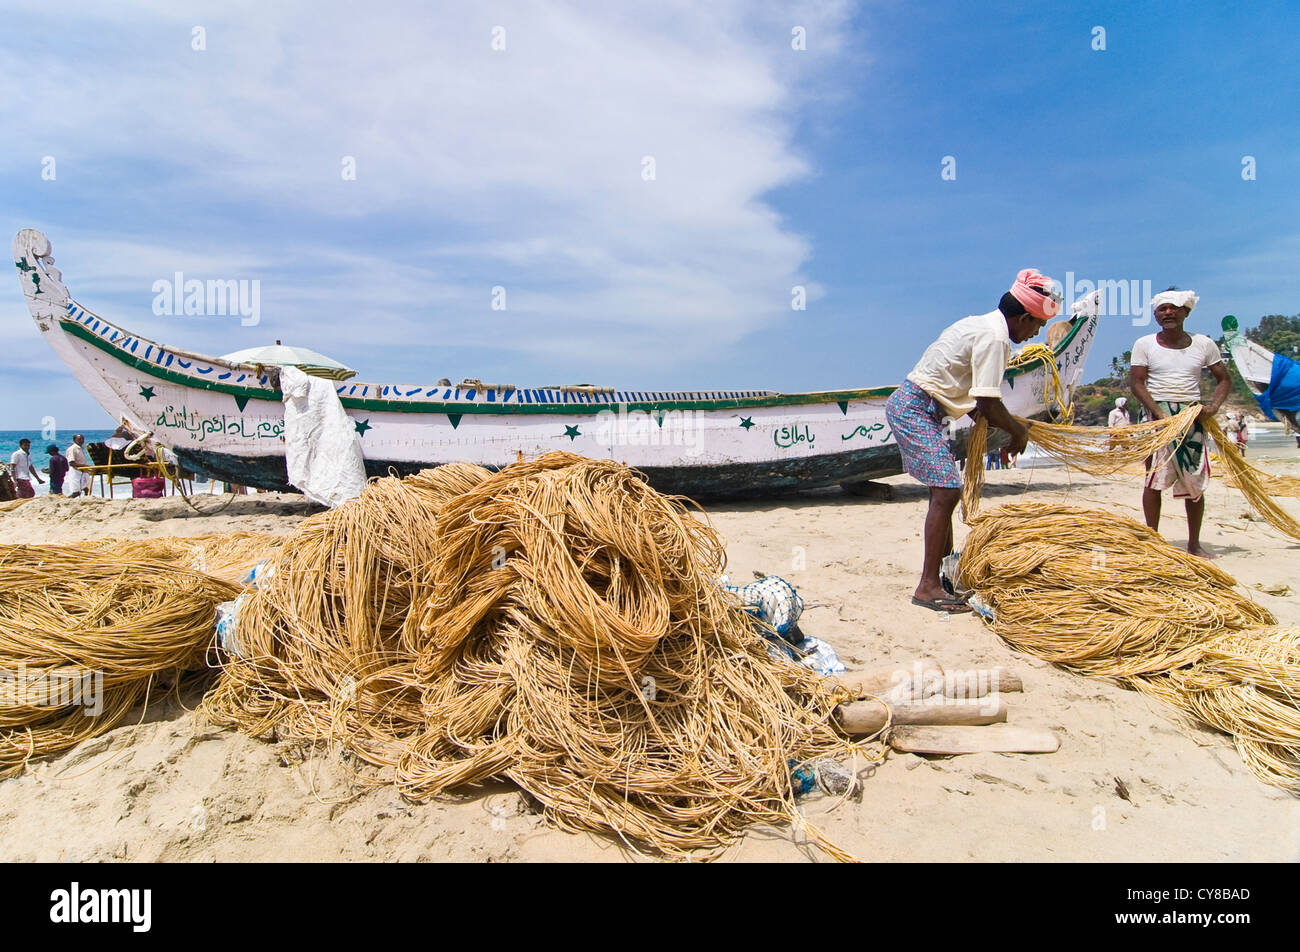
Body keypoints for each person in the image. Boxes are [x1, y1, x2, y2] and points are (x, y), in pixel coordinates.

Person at [886, 268, 1059, 612]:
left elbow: (956, 379)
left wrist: (984, 416)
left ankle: (944, 574)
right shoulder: (996, 339)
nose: (1036, 332)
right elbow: (989, 402)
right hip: (915, 409)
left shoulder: (980, 325)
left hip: (921, 407)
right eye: (1036, 325)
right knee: (948, 489)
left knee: (944, 490)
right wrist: (1017, 431)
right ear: (1024, 317)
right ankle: (928, 586)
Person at [1130, 289, 1232, 560]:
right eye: (1163, 308)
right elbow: (1137, 383)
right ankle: (1152, 541)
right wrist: (1159, 415)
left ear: (1186, 312)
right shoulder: (1144, 344)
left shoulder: (1204, 344)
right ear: (1155, 314)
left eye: (1174, 308)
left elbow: (1224, 379)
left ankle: (1194, 544)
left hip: (1192, 417)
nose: (1168, 313)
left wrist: (1212, 408)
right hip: (1157, 417)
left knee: (1194, 479)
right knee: (1153, 479)